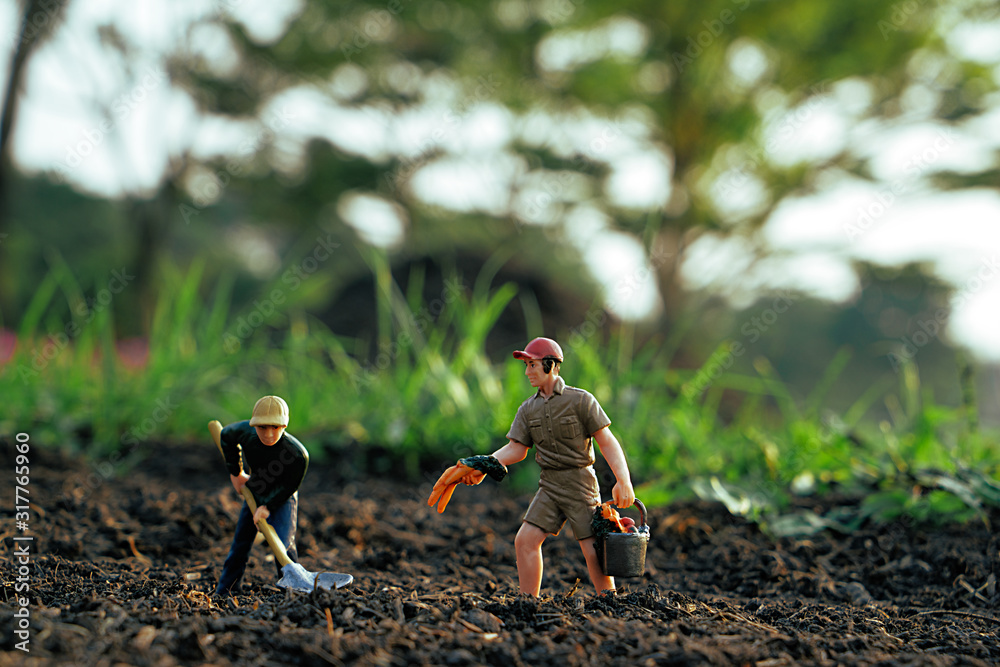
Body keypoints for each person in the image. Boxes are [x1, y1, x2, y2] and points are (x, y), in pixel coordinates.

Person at [428, 337, 636, 596]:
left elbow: (607, 440)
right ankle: (529, 601)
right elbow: (517, 449)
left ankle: (609, 600)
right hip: (549, 485)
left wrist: (623, 479)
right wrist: (484, 463)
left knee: (591, 545)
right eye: (526, 366)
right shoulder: (528, 409)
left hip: (579, 483)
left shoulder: (581, 401)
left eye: (532, 365)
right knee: (525, 540)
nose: (527, 372)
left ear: (551, 365)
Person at [214, 395, 309, 596]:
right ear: (254, 425)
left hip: (282, 497)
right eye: (262, 427)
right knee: (240, 543)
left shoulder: (297, 454)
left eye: (274, 427)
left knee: (283, 545)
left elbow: (289, 486)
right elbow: (226, 436)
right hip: (255, 489)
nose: (268, 434)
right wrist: (236, 473)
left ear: (284, 426)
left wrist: (267, 506)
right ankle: (226, 590)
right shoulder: (244, 433)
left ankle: (291, 591)